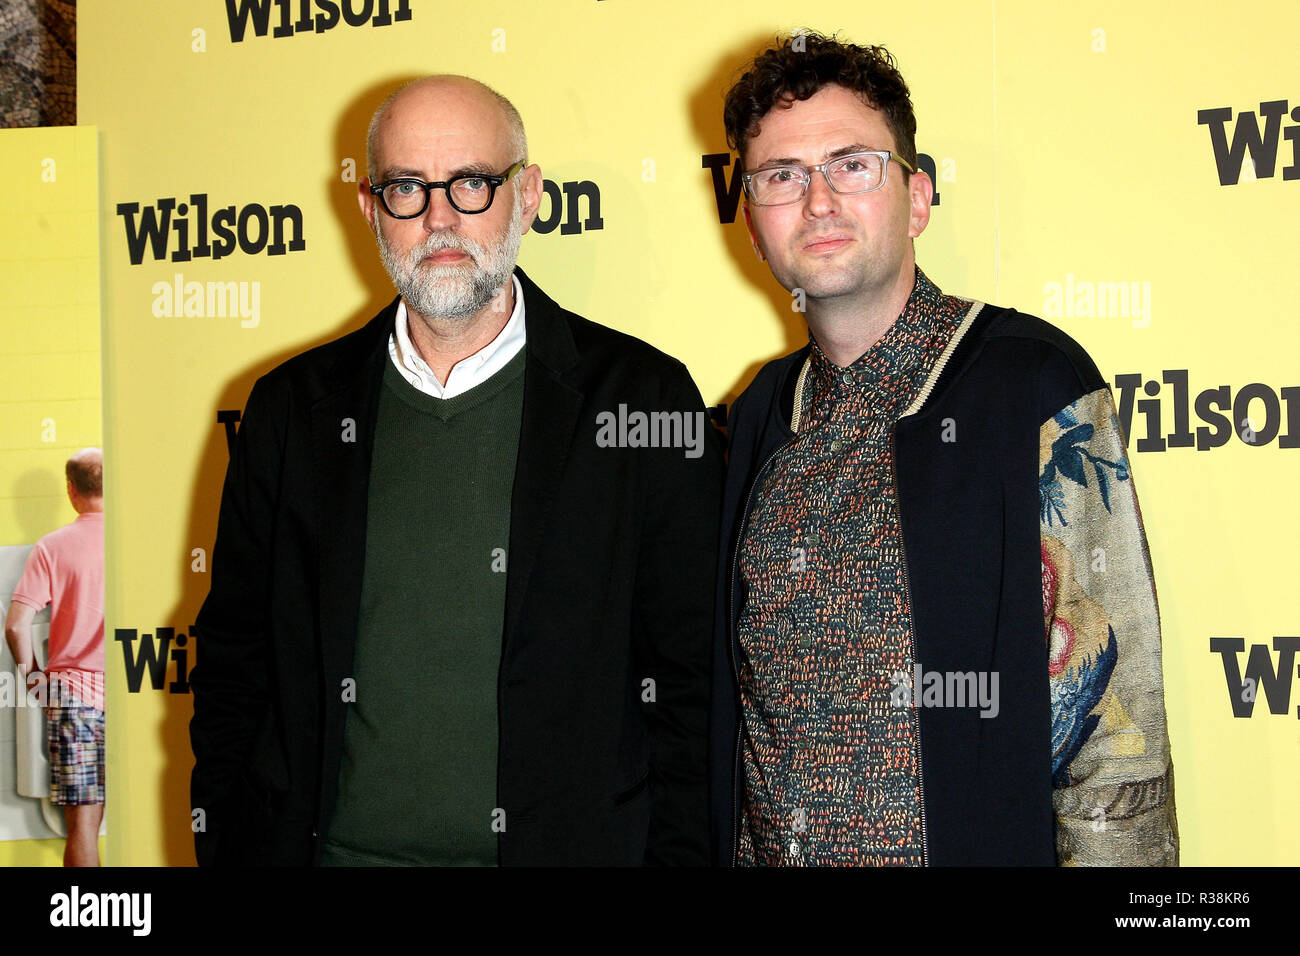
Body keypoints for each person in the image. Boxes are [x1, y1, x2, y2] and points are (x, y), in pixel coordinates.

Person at [188, 75, 721, 866]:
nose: (440, 218)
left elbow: (691, 687)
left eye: (472, 183)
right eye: (407, 187)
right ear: (370, 208)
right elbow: (235, 663)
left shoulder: (643, 398)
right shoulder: (291, 409)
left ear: (529, 194)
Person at [709, 33, 1178, 866]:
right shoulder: (754, 421)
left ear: (918, 196)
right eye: (782, 175)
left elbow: (1117, 740)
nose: (817, 199)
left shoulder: (1030, 383)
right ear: (753, 222)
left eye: (852, 164)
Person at [5, 448, 105, 867]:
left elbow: (15, 625)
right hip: (135, 692)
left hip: (74, 699)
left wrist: (32, 678)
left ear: (71, 490)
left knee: (82, 826)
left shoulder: (51, 547)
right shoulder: (134, 539)